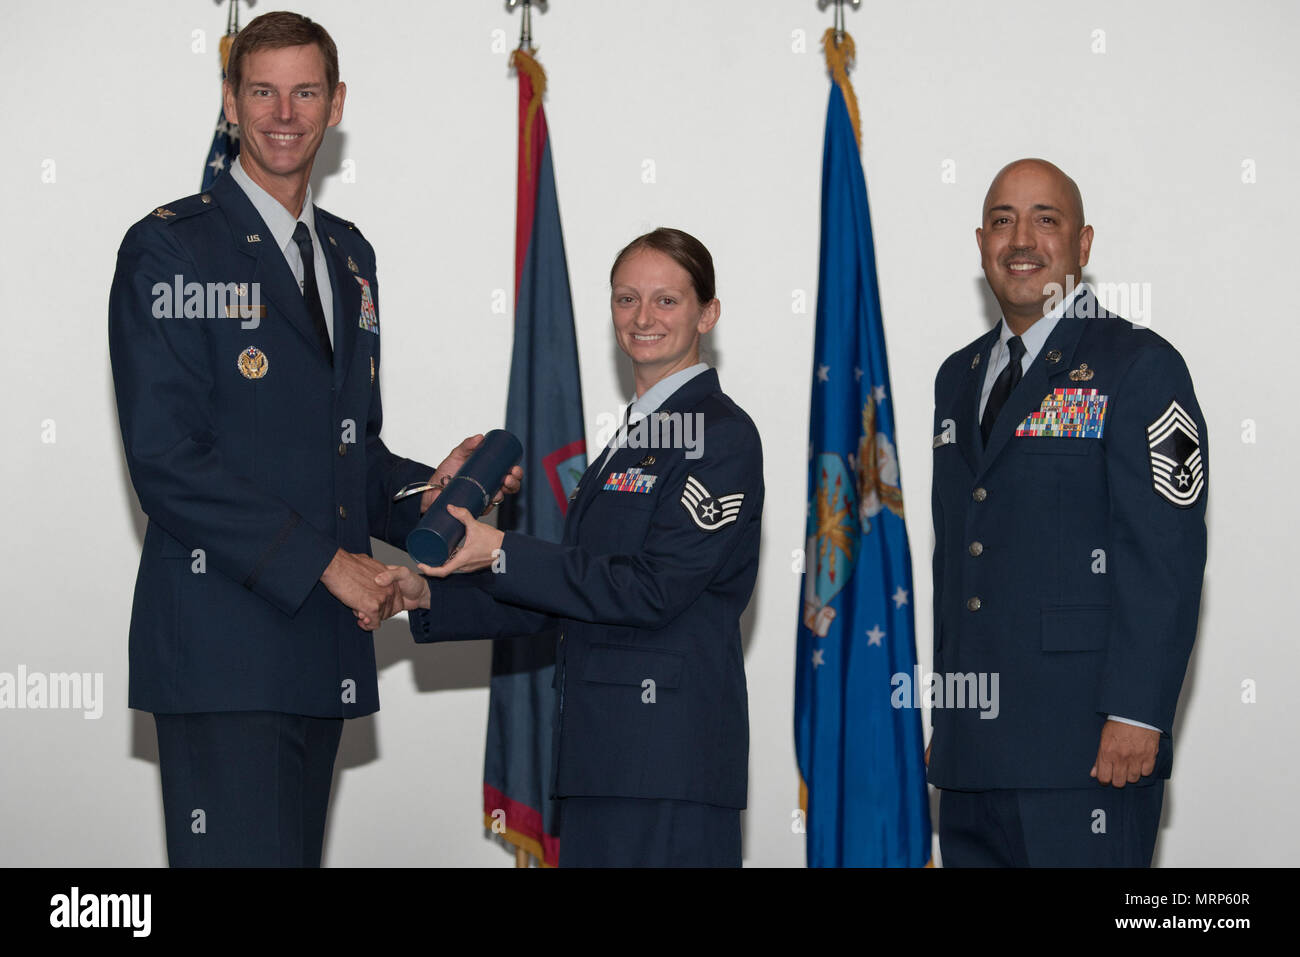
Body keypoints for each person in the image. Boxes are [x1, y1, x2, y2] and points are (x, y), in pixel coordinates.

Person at [108, 11, 518, 867]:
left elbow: (348, 455)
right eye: (262, 90)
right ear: (229, 102)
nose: (283, 112)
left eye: (305, 91)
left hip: (319, 653)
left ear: (337, 105)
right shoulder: (170, 249)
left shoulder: (347, 254)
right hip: (225, 653)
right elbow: (168, 464)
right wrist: (331, 564)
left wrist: (426, 495)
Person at [372, 228, 764, 867]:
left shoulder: (720, 437)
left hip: (666, 765)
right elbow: (566, 596)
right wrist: (425, 595)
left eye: (667, 301)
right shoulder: (631, 440)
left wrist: (500, 549)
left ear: (708, 313)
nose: (642, 318)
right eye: (626, 299)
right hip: (598, 760)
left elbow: (651, 588)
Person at [926, 158, 1207, 866]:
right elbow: (959, 560)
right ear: (981, 241)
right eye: (1002, 220)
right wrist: (951, 716)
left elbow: (1164, 555)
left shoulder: (1137, 365)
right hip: (971, 761)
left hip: (1087, 752)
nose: (1021, 238)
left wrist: (1139, 711)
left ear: (1082, 245)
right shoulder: (956, 378)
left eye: (1045, 219)